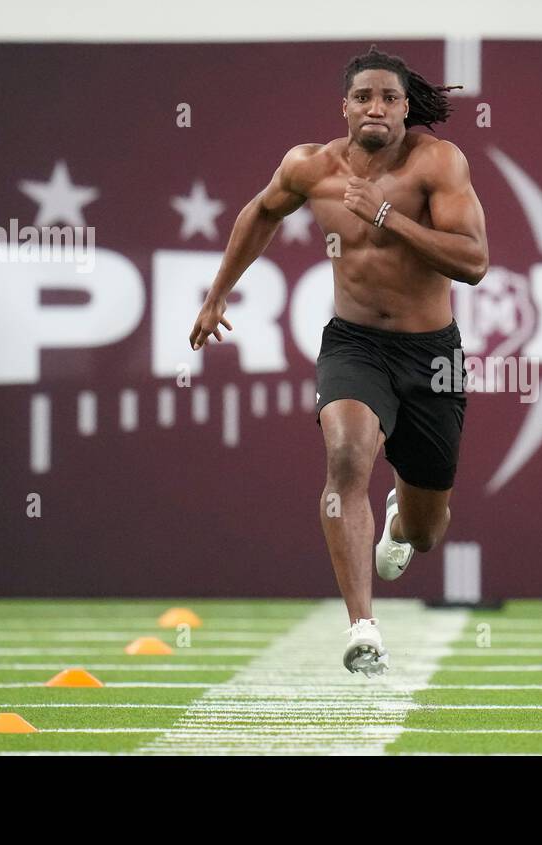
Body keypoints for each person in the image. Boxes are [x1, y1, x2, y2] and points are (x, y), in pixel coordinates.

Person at [188, 46, 488, 676]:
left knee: (429, 529)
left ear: (407, 108)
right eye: (363, 97)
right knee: (347, 458)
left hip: (432, 354)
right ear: (345, 107)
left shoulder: (437, 162)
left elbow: (472, 261)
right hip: (354, 344)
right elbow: (260, 213)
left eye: (388, 98)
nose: (375, 107)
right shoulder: (309, 166)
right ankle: (363, 627)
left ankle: (400, 523)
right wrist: (217, 295)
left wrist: (387, 217)